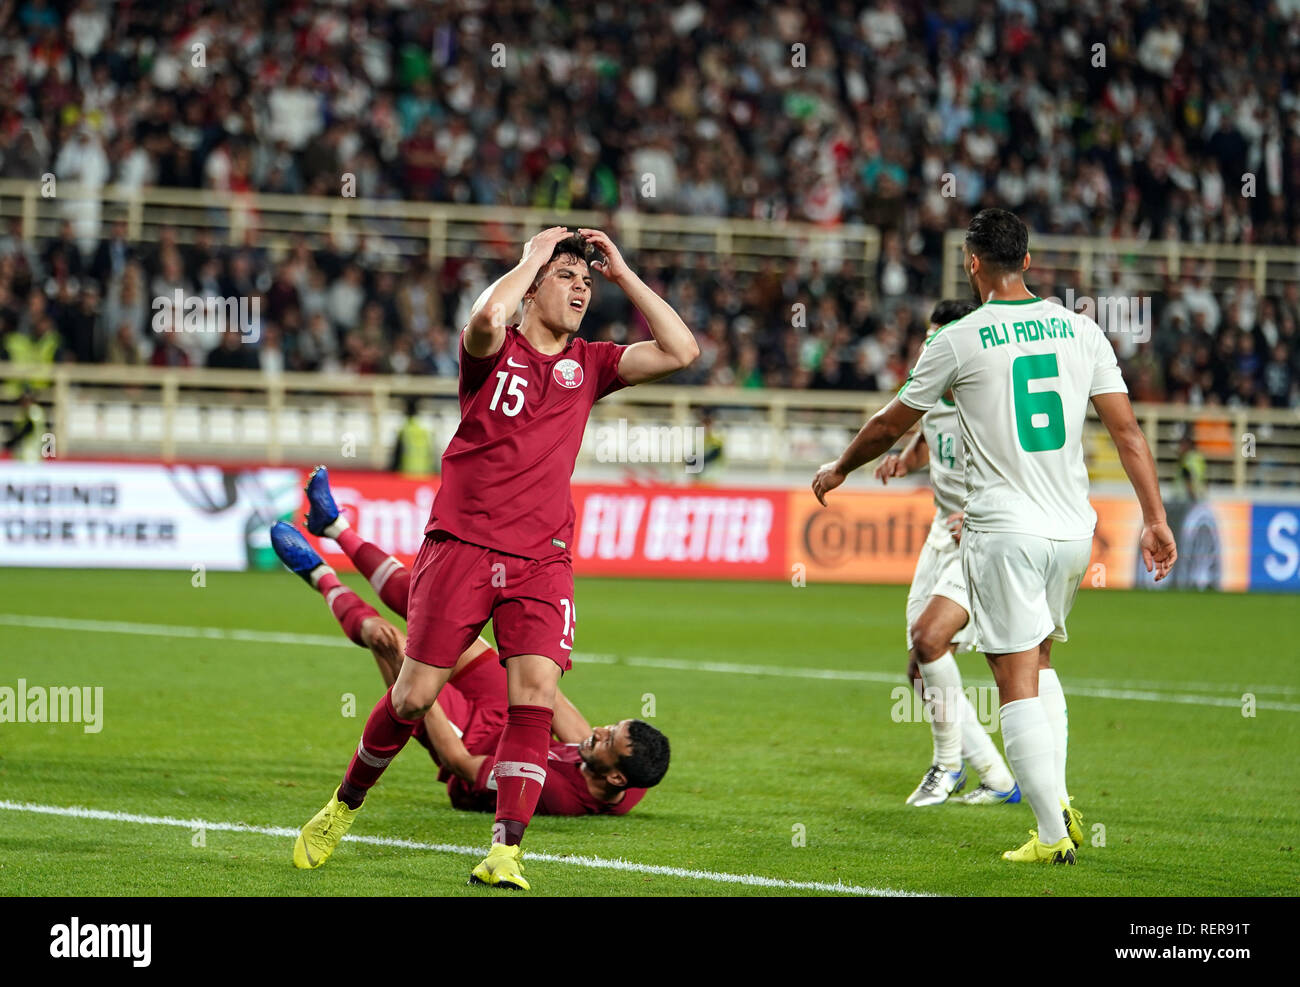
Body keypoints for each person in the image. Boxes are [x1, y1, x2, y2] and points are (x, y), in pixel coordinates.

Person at [293, 228, 698, 889]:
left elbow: (683, 350)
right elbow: (485, 315)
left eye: (587, 283)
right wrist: (532, 257)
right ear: (535, 286)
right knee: (414, 694)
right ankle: (345, 804)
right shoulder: (492, 353)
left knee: (534, 695)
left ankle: (506, 848)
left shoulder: (591, 363)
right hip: (462, 545)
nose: (581, 289)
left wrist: (622, 274)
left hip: (543, 557)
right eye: (569, 278)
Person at [813, 208, 1176, 864]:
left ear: (971, 262)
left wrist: (841, 466)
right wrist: (1154, 517)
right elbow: (1128, 433)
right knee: (1039, 659)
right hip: (1073, 531)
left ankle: (1047, 830)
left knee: (1013, 678)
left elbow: (892, 422)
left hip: (1005, 529)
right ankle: (1057, 798)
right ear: (1029, 262)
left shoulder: (959, 338)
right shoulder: (1081, 329)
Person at [268, 499, 668, 817]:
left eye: (608, 739)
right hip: (511, 716)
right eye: (611, 728)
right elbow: (555, 704)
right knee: (436, 611)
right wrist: (525, 656)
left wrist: (417, 691)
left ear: (615, 776)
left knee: (387, 638)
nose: (599, 731)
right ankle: (335, 527)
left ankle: (319, 575)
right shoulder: (624, 781)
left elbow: (460, 762)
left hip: (472, 742)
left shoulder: (554, 794)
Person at [873, 299, 1018, 807]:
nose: (931, 347)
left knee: (928, 641)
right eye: (928, 338)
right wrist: (901, 460)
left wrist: (980, 510)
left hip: (983, 536)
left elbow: (1024, 471)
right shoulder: (930, 394)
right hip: (941, 533)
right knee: (918, 667)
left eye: (940, 339)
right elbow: (926, 441)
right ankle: (997, 776)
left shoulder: (992, 398)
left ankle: (947, 765)